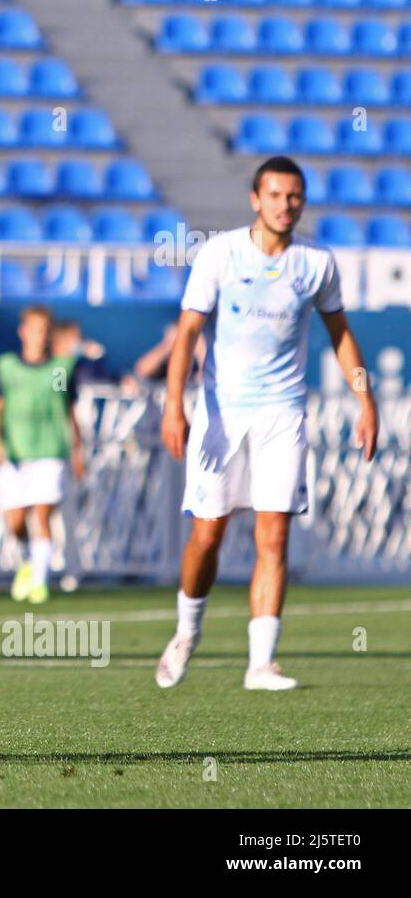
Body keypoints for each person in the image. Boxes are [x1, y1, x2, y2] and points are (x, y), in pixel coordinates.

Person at [155, 156, 378, 692]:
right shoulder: (221, 254)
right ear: (256, 200)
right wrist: (173, 405)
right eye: (275, 195)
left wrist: (365, 399)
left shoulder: (316, 263)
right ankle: (187, 631)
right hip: (222, 413)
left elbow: (340, 333)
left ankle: (261, 664)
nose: (285, 205)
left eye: (294, 196)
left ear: (303, 201)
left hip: (283, 411)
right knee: (208, 535)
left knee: (274, 534)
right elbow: (186, 334)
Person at [0, 305, 85, 604]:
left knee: (41, 514)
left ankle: (40, 584)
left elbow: (67, 408)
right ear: (22, 332)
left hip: (49, 450)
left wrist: (77, 450)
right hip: (16, 452)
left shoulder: (60, 368)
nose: (38, 336)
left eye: (44, 330)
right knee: (17, 521)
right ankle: (29, 563)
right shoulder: (7, 366)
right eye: (33, 329)